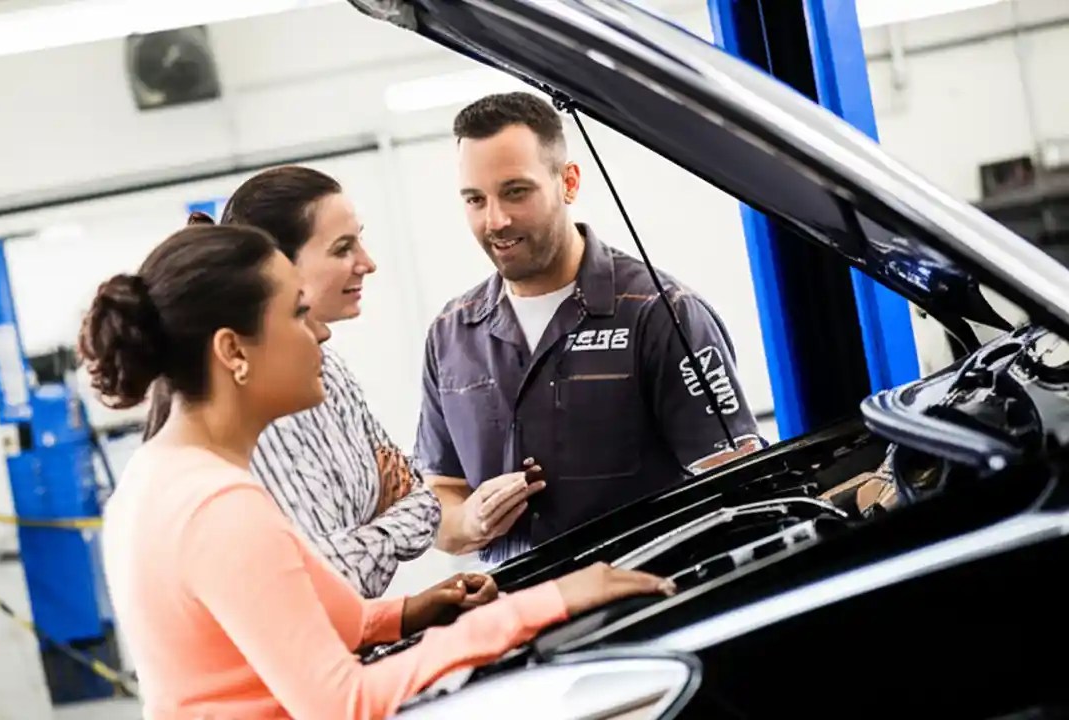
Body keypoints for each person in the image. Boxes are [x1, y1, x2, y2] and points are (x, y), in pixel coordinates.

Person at [81, 222, 676, 718]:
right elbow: (346, 704)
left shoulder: (159, 476)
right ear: (233, 351)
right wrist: (546, 603)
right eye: (298, 313)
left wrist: (408, 614)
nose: (320, 332)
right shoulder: (218, 509)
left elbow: (311, 622)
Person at [416, 91, 765, 566]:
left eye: (516, 192)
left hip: (649, 613)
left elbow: (738, 484)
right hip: (520, 623)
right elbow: (441, 492)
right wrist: (465, 522)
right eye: (476, 200)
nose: (495, 220)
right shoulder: (451, 334)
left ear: (569, 182)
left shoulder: (661, 314)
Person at [141, 166, 440, 598]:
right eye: (342, 248)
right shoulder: (252, 402)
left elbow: (421, 498)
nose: (368, 262)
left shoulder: (328, 369)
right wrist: (384, 523)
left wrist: (367, 531)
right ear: (278, 268)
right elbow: (329, 582)